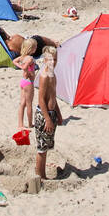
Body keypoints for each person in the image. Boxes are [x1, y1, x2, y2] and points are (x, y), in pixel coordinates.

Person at [34, 48, 61, 181]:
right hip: (44, 115)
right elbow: (41, 100)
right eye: (50, 60)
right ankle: (40, 176)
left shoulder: (52, 75)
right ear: (44, 60)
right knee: (42, 148)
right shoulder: (44, 77)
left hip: (51, 113)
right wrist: (47, 119)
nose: (52, 62)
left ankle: (42, 174)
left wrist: (58, 114)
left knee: (46, 146)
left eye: (55, 59)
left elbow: (53, 97)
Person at [13, 49, 38, 130]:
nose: (36, 48)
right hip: (29, 82)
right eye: (35, 46)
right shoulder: (30, 58)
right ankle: (30, 124)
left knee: (22, 103)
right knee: (29, 104)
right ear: (31, 48)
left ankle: (20, 124)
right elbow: (25, 67)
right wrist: (26, 70)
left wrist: (21, 67)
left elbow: (14, 61)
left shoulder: (22, 57)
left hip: (23, 81)